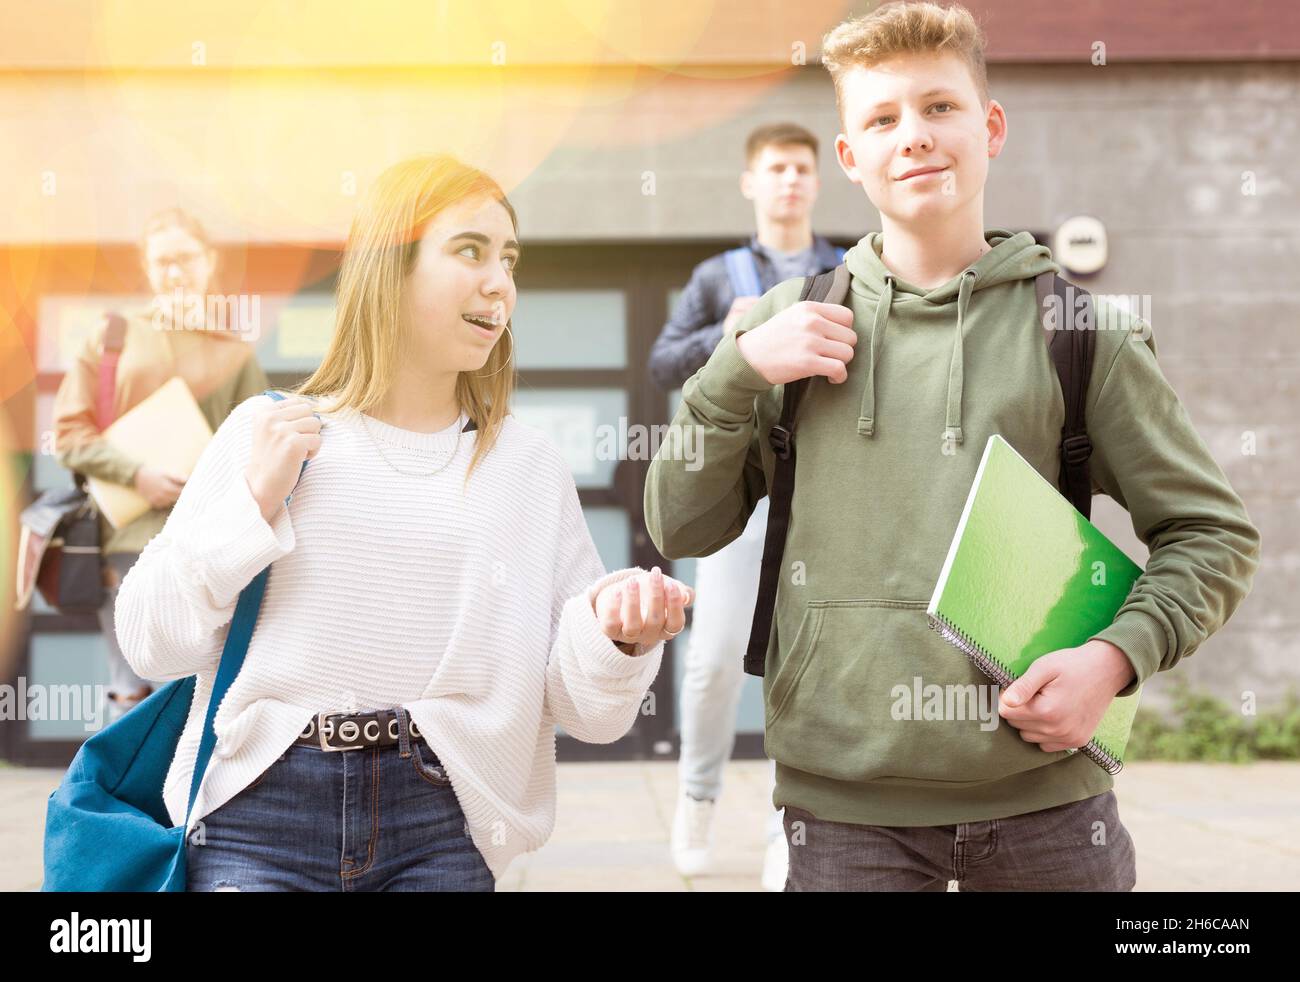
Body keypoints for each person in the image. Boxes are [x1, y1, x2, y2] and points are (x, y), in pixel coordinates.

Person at [644, 1, 1260, 892]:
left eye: (940, 107)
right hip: (844, 820)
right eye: (883, 118)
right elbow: (679, 526)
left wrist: (1113, 658)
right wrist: (728, 373)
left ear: (990, 127)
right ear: (851, 158)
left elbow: (1213, 534)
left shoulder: (1080, 333)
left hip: (1050, 812)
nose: (916, 137)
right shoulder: (789, 329)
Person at [115, 154, 692, 891]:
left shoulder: (527, 466)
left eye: (509, 259)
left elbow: (586, 710)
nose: (500, 282)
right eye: (470, 251)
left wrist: (616, 637)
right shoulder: (270, 433)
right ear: (391, 268)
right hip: (257, 820)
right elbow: (147, 641)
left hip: (443, 826)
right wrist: (248, 510)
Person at [648, 123, 843, 889]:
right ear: (751, 183)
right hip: (739, 483)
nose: (790, 181)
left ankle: (783, 824)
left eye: (801, 168)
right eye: (776, 169)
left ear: (817, 180)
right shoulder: (714, 275)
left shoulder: (850, 266)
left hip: (823, 483)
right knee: (714, 661)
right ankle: (697, 798)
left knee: (803, 661)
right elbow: (665, 361)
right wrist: (726, 338)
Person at [53, 207, 269, 726]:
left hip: (205, 542)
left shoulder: (234, 350)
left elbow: (258, 443)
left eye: (186, 259)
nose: (175, 272)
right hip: (128, 536)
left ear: (209, 261)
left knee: (196, 684)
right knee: (128, 683)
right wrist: (136, 476)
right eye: (163, 262)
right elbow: (68, 434)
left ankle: (184, 806)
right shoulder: (112, 338)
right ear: (148, 269)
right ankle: (107, 805)